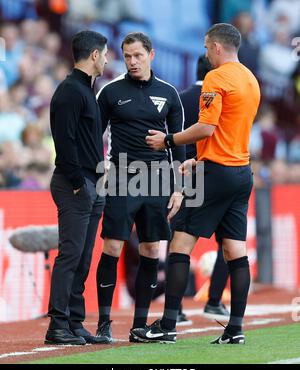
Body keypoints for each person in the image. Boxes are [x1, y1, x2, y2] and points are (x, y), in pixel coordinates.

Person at [138, 23, 260, 344]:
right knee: (235, 250)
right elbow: (229, 130)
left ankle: (167, 325)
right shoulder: (250, 79)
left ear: (217, 47)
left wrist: (168, 140)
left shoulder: (215, 78)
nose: (205, 52)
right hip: (241, 172)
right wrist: (200, 157)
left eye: (207, 47)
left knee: (180, 245)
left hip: (213, 175)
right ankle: (234, 329)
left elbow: (206, 128)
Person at [95, 32, 185, 343]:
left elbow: (179, 145)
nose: (132, 62)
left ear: (151, 55)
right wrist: (101, 166)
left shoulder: (169, 94)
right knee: (112, 247)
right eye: (127, 56)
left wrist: (178, 189)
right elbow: (95, 134)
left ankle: (139, 326)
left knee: (150, 249)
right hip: (122, 177)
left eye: (138, 56)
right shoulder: (110, 92)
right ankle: (104, 323)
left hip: (158, 179)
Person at [45, 30, 108, 345]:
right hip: (76, 183)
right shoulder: (71, 91)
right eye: (106, 53)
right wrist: (77, 184)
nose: (107, 60)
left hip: (90, 181)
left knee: (82, 257)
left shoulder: (86, 91)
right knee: (70, 255)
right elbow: (64, 142)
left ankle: (74, 322)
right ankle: (57, 325)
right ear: (95, 55)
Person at [179, 55, 229, 318]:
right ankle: (215, 299)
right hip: (215, 171)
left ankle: (174, 308)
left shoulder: (180, 96)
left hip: (183, 173)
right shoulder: (222, 96)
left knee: (179, 240)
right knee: (227, 241)